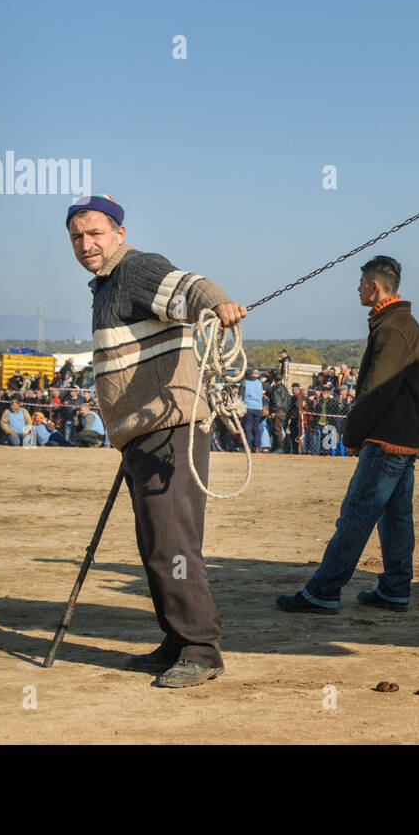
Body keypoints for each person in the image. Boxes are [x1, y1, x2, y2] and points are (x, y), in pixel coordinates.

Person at [67, 192, 247, 689]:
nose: (87, 244)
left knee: (173, 542)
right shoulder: (104, 287)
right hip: (142, 434)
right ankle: (176, 639)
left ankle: (200, 650)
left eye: (96, 233)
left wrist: (219, 304)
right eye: (78, 236)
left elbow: (189, 286)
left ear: (119, 234)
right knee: (155, 543)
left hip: (170, 430)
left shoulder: (134, 269)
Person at [277, 256, 419, 614]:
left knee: (356, 514)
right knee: (395, 517)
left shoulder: (393, 328)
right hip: (402, 440)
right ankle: (395, 588)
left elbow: (376, 390)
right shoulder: (400, 323)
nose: (357, 289)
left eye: (361, 283)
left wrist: (352, 434)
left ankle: (324, 590)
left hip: (386, 439)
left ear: (374, 287)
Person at [241, 368, 265, 452]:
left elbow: (240, 396)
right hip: (258, 407)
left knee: (248, 427)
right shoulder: (259, 383)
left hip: (248, 407)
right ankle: (257, 447)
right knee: (256, 427)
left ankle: (248, 446)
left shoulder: (244, 383)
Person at [267, 371, 291, 452]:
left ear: (274, 379)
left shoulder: (276, 388)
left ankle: (280, 448)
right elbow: (287, 400)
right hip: (284, 411)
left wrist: (274, 411)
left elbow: (276, 401)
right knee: (276, 429)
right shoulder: (284, 388)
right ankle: (275, 447)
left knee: (277, 430)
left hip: (278, 412)